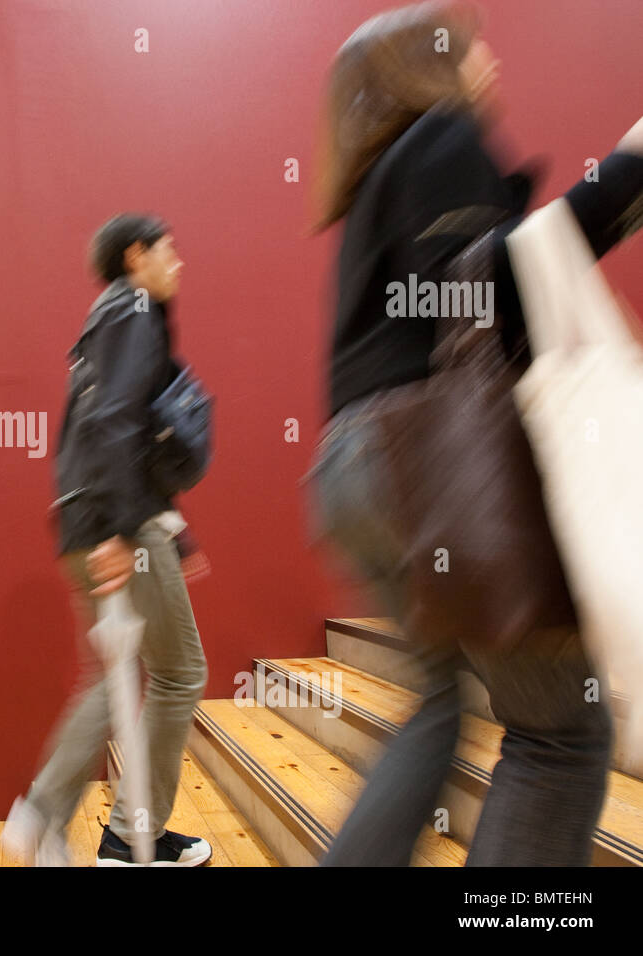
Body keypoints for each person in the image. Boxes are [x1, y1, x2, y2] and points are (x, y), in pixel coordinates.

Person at [306, 0, 643, 865]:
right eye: (470, 44)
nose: (489, 57)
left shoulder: (377, 182)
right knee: (560, 737)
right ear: (430, 64)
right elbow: (487, 291)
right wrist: (630, 171)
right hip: (428, 464)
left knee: (437, 708)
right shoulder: (444, 137)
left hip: (352, 471)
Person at [0, 213, 212, 866]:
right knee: (180, 673)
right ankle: (128, 834)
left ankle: (47, 818)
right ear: (135, 254)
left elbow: (108, 431)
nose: (180, 263)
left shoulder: (104, 321)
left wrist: (159, 533)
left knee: (111, 671)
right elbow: (117, 423)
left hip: (85, 519)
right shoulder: (135, 313)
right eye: (170, 250)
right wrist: (124, 531)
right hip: (114, 525)